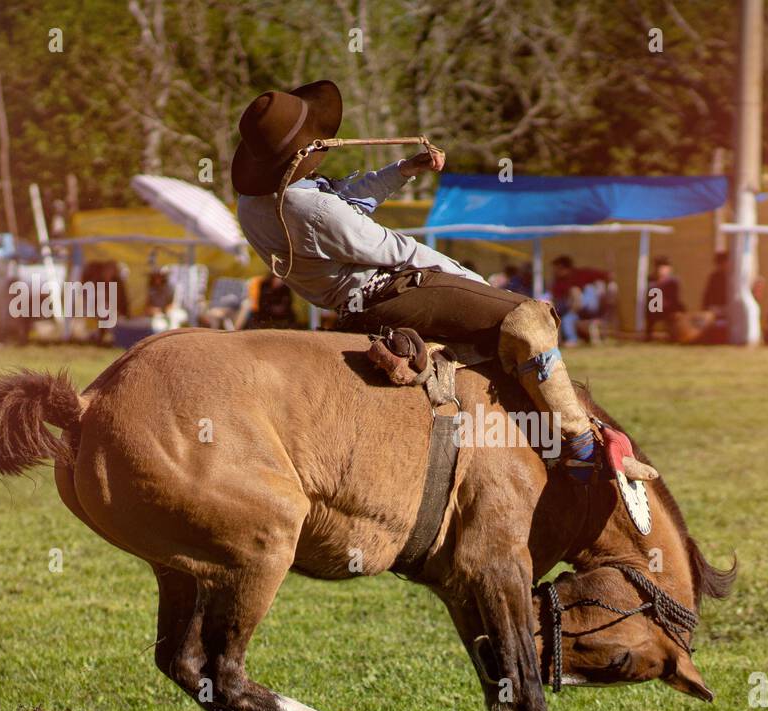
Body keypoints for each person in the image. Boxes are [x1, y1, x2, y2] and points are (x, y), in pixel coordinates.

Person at [232, 81, 655, 482]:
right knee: (530, 317)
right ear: (305, 149)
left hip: (351, 302)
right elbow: (397, 250)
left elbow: (347, 202)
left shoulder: (254, 203)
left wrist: (403, 170)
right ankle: (582, 448)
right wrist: (475, 282)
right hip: (390, 292)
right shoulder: (313, 209)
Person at [550, 256, 613, 347]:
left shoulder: (581, 273)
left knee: (587, 289)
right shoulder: (557, 282)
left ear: (562, 267)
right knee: (567, 319)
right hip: (573, 309)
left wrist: (605, 292)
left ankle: (577, 302)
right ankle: (572, 340)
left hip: (590, 305)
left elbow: (608, 276)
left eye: (556, 269)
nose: (554, 272)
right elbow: (557, 299)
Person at [644, 255, 686, 341]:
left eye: (664, 267)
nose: (661, 270)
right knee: (651, 312)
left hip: (669, 308)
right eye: (659, 267)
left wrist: (677, 310)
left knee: (679, 312)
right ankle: (649, 336)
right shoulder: (652, 279)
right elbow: (651, 296)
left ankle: (676, 335)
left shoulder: (673, 281)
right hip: (655, 307)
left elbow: (676, 297)